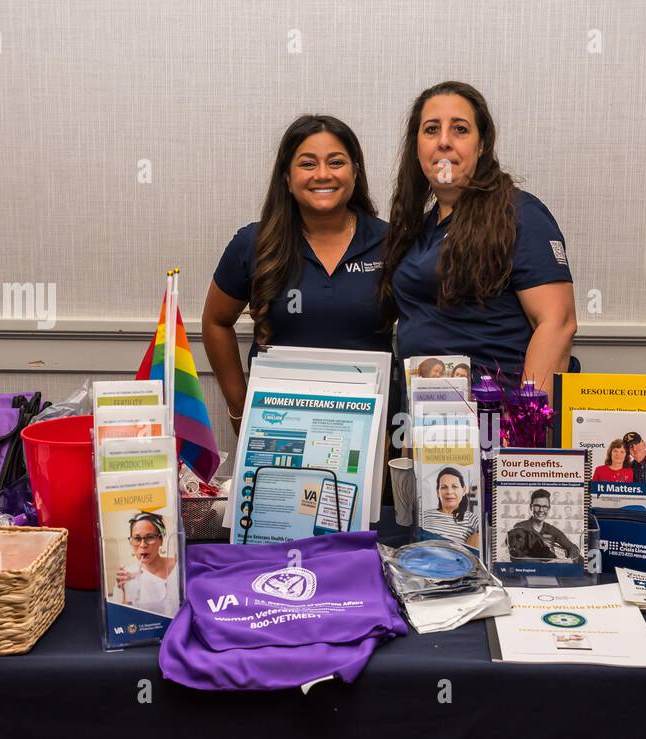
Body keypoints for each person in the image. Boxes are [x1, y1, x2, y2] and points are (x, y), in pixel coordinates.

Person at [382, 81, 577, 392]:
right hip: (431, 419)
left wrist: (524, 424)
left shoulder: (520, 214)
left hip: (498, 419)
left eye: (460, 130)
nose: (444, 142)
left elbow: (558, 324)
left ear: (482, 144)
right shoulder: (419, 227)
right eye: (431, 130)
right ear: (416, 146)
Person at [202, 115, 389, 433]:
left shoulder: (391, 243)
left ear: (355, 172)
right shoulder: (254, 244)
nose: (322, 174)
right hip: (280, 427)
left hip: (369, 430)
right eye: (307, 164)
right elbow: (216, 322)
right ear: (287, 178)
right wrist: (239, 409)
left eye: (336, 162)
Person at [115, 513, 180, 617]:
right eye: (137, 539)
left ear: (161, 540)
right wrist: (124, 597)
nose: (143, 545)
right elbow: (122, 619)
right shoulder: (125, 575)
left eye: (149, 537)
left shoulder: (180, 566)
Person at [506, 489, 581, 562]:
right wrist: (548, 563)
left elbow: (573, 548)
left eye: (545, 506)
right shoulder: (521, 527)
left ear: (549, 509)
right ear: (531, 507)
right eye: (537, 506)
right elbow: (517, 557)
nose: (541, 510)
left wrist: (569, 560)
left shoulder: (552, 530)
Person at [419, 466, 480, 548]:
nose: (449, 492)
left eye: (454, 486)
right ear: (438, 492)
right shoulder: (424, 515)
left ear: (464, 490)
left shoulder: (472, 518)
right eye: (444, 487)